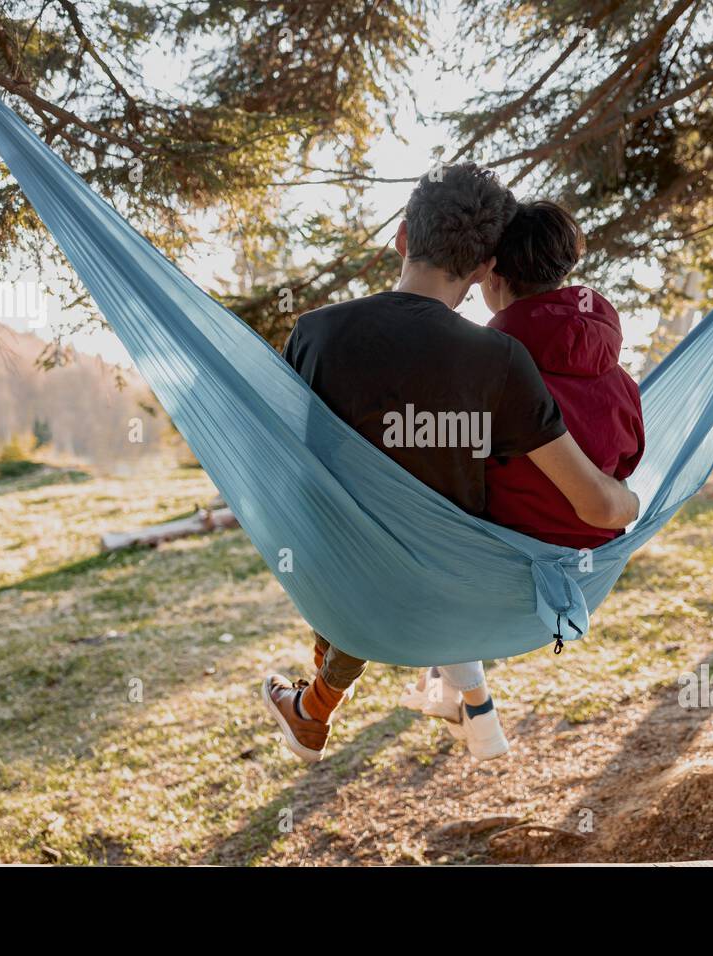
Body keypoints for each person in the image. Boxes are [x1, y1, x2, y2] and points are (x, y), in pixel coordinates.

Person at [262, 164, 639, 764]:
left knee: (340, 523)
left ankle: (319, 700)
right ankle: (436, 706)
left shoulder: (315, 334)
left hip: (342, 583)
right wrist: (632, 502)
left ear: (403, 238)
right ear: (488, 265)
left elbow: (286, 468)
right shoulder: (502, 361)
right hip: (450, 590)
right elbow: (591, 499)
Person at [399, 200, 645, 760]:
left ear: (494, 275)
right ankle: (460, 699)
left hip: (503, 563)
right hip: (588, 561)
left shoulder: (479, 367)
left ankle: (462, 699)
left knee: (425, 527)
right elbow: (627, 461)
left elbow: (451, 473)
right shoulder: (616, 373)